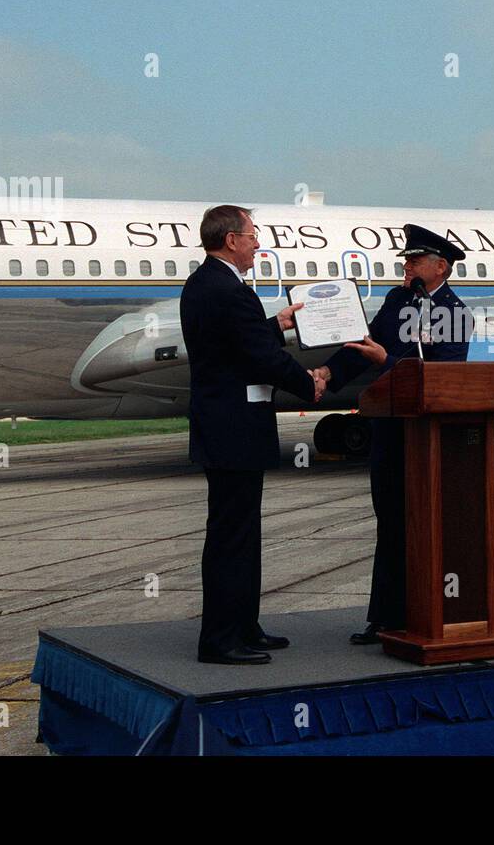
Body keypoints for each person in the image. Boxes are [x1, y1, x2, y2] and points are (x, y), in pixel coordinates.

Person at [312, 224, 472, 645]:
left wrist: (388, 362)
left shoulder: (456, 314)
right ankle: (385, 617)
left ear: (440, 268)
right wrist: (328, 373)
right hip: (389, 433)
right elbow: (367, 345)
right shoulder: (397, 300)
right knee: (390, 522)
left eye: (414, 261)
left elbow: (443, 381)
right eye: (405, 260)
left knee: (426, 525)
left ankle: (431, 614)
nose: (405, 267)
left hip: (428, 440)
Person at [180, 204, 324, 665]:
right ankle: (220, 640)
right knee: (231, 538)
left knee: (241, 534)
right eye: (252, 235)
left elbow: (235, 344)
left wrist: (276, 324)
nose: (257, 243)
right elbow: (258, 358)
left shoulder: (209, 284)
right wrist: (311, 383)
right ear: (231, 240)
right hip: (233, 429)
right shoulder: (228, 290)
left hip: (226, 427)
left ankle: (244, 626)